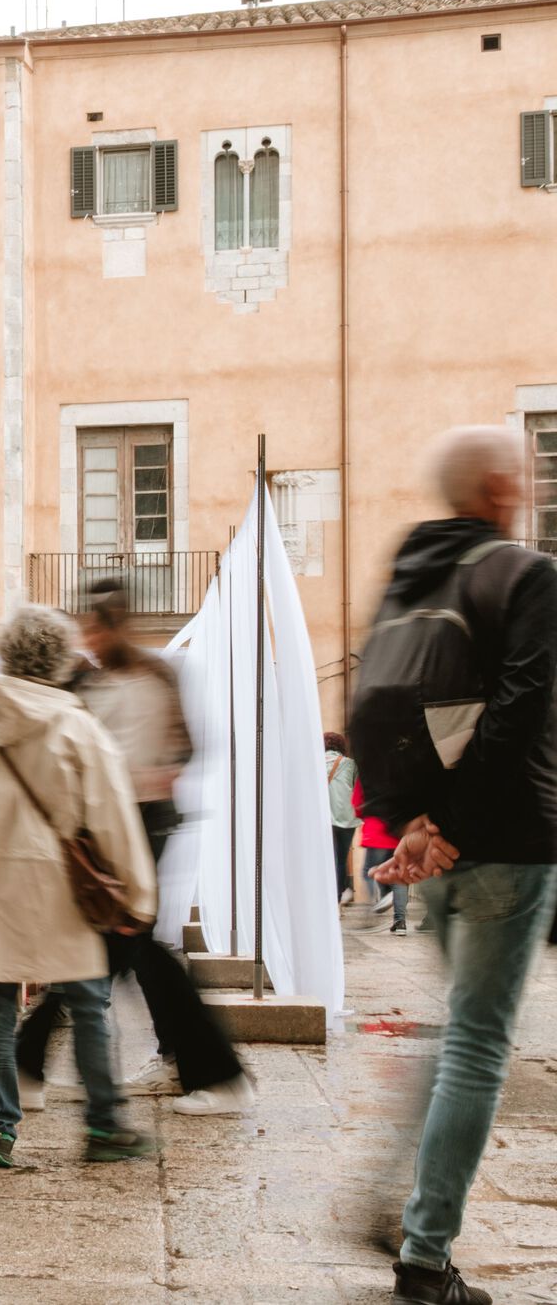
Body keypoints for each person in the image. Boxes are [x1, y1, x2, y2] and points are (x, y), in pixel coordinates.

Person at [359, 426, 557, 1305]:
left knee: (458, 1032)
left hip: (431, 850)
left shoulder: (411, 574)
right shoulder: (525, 573)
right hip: (504, 842)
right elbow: (522, 707)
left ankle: (399, 1204)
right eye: (520, 472)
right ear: (497, 486)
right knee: (478, 1042)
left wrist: (410, 824)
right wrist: (452, 822)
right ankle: (425, 1256)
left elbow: (369, 708)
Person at [0, 606, 158, 1168]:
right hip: (59, 888)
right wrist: (138, 895)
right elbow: (112, 818)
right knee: (86, 1001)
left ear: (7, 656)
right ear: (59, 661)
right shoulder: (79, 726)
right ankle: (103, 1126)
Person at [16, 578, 255, 1118]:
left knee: (118, 948)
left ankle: (28, 1064)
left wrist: (153, 775)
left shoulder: (156, 675)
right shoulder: (89, 685)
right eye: (86, 631)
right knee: (131, 951)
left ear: (115, 624)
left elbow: (188, 744)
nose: (89, 639)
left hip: (146, 828)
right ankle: (201, 1066)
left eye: (96, 629)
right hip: (106, 830)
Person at [354, 778, 408, 936]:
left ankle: (374, 905)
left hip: (376, 831)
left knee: (368, 872)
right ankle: (400, 922)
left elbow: (357, 804)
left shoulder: (366, 772)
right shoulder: (400, 770)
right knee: (398, 876)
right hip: (397, 832)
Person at [327, 732, 360, 903]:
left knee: (328, 857)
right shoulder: (350, 764)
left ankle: (328, 898)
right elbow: (357, 789)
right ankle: (337, 898)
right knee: (341, 858)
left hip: (325, 819)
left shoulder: (316, 763)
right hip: (347, 818)